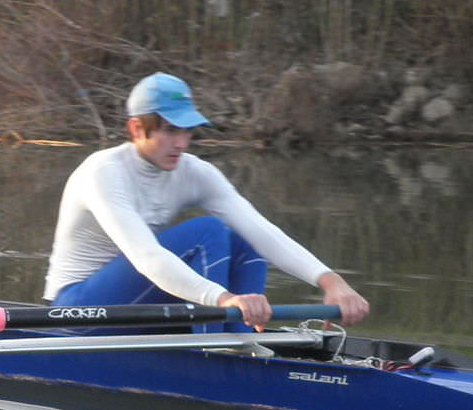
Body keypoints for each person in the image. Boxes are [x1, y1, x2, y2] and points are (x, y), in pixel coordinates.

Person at [44, 72, 370, 330]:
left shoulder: (197, 172)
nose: (181, 143)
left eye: (187, 131)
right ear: (135, 128)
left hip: (134, 300)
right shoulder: (103, 173)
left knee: (243, 237)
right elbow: (148, 258)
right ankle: (216, 341)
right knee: (208, 230)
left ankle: (241, 337)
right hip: (76, 311)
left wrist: (331, 281)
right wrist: (224, 299)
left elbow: (261, 229)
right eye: (170, 130)